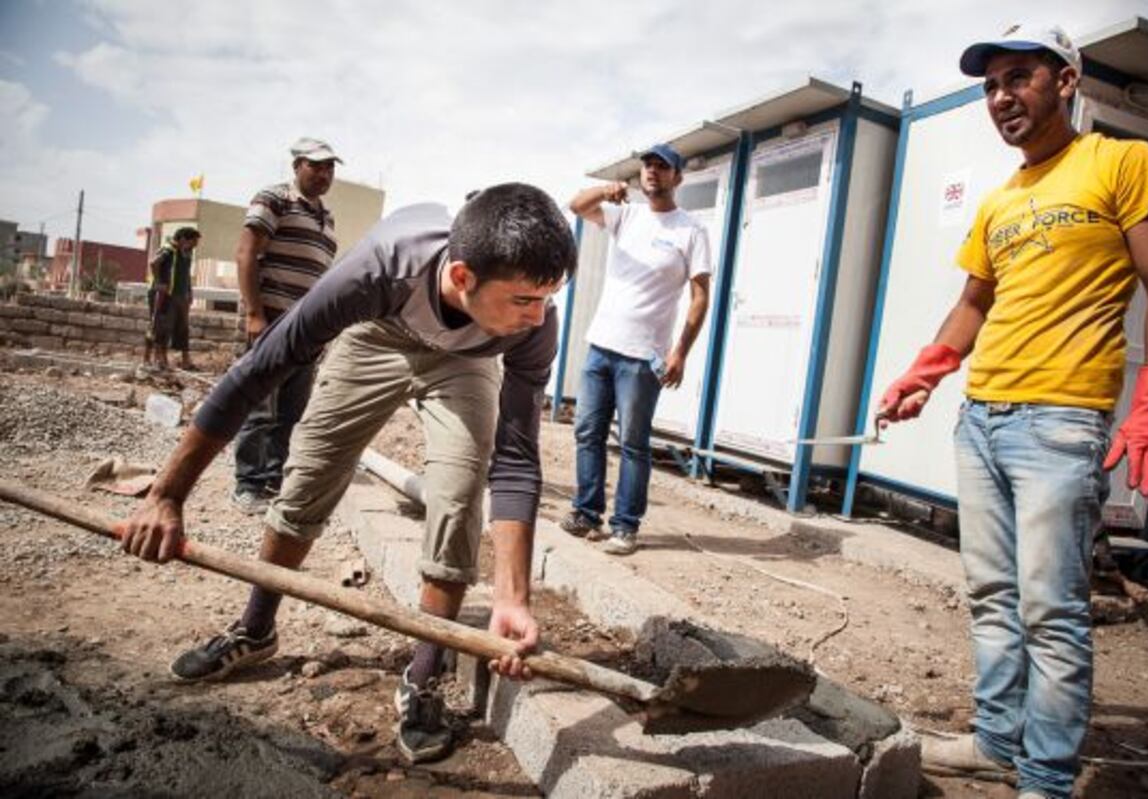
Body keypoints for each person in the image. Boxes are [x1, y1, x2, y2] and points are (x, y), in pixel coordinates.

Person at [120, 183, 577, 764]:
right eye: (524, 301)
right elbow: (260, 369)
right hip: (379, 333)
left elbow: (515, 456)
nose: (539, 317)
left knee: (458, 491)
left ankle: (423, 674)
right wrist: (166, 495)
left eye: (549, 298)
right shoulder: (378, 272)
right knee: (310, 468)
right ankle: (255, 629)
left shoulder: (531, 320)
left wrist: (513, 596)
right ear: (462, 277)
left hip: (468, 360)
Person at [878, 25, 1148, 799]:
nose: (1001, 97)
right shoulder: (1001, 201)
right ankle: (995, 742)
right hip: (982, 417)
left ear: (1067, 82)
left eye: (1019, 78)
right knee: (991, 595)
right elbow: (973, 303)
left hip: (1061, 421)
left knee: (1050, 610)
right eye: (991, 85)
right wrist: (924, 372)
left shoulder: (1121, 162)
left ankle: (1046, 779)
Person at [559, 143, 712, 555]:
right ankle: (586, 513)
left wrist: (681, 352)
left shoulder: (690, 231)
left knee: (633, 442)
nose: (652, 172)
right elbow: (575, 205)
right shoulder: (626, 215)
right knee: (587, 432)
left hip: (645, 356)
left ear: (677, 178)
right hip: (601, 347)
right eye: (648, 165)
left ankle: (625, 526)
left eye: (663, 167)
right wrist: (606, 189)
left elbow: (700, 297)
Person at [230, 137, 340, 514]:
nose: (324, 173)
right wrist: (254, 314)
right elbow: (246, 253)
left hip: (306, 331)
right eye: (316, 165)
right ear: (297, 166)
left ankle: (274, 482)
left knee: (291, 413)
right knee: (260, 408)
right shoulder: (274, 199)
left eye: (330, 167)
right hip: (272, 322)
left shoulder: (328, 217)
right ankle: (248, 484)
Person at [143, 227, 201, 371]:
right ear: (183, 239)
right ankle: (155, 359)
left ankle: (185, 361)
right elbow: (154, 263)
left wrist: (189, 291)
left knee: (182, 328)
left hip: (179, 295)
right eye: (192, 242)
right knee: (159, 327)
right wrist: (158, 283)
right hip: (164, 295)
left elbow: (186, 273)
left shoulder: (187, 252)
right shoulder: (168, 250)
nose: (194, 246)